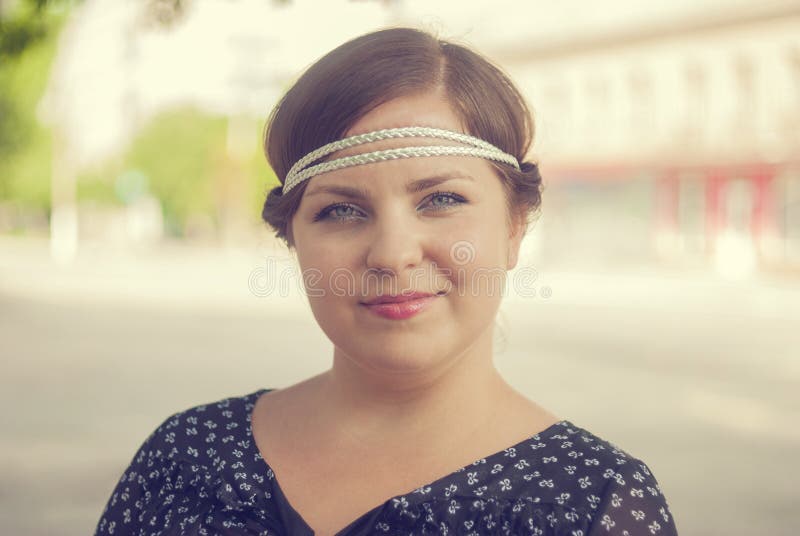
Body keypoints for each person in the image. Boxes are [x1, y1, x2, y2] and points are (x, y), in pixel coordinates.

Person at [95, 27, 679, 536]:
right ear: (292, 238)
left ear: (514, 227)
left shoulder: (594, 506)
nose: (394, 255)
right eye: (341, 210)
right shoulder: (186, 461)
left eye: (441, 199)